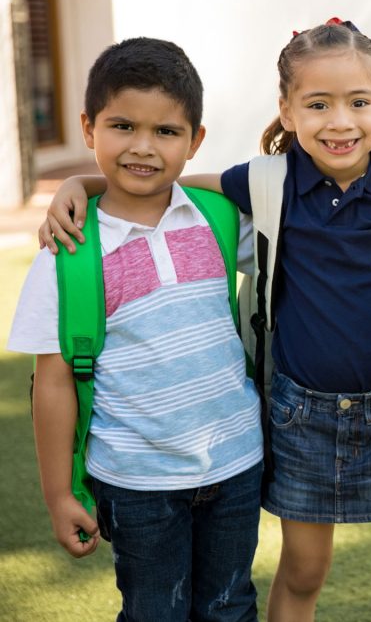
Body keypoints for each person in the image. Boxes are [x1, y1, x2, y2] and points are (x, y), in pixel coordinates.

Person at [36, 19, 371, 622]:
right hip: (295, 416)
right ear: (287, 108)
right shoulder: (262, 184)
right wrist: (81, 182)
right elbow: (161, 180)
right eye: (317, 104)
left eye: (360, 103)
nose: (340, 121)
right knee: (294, 574)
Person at [8, 37, 264, 621]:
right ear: (88, 128)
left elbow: (308, 232)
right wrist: (58, 494)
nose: (143, 147)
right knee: (155, 613)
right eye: (122, 126)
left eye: (167, 132)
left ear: (195, 140)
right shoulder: (68, 250)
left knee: (232, 608)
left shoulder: (219, 217)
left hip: (237, 463)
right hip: (135, 479)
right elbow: (50, 384)